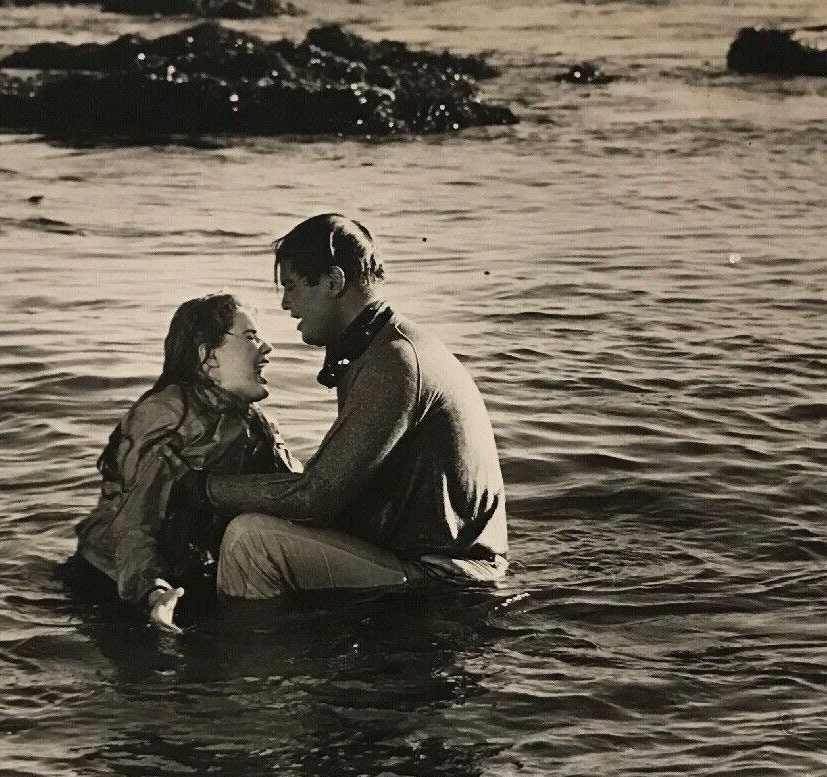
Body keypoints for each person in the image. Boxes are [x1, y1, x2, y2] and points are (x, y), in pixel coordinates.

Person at [205, 214, 508, 598]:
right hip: (431, 561)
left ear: (334, 281)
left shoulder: (394, 361)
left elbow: (318, 498)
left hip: (449, 579)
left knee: (251, 541)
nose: (284, 303)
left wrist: (208, 488)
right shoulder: (379, 347)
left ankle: (250, 655)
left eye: (293, 287)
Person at [75, 293, 296, 631]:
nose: (266, 349)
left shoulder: (253, 422)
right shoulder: (166, 416)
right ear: (207, 357)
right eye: (251, 337)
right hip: (116, 582)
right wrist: (152, 593)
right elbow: (134, 520)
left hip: (184, 576)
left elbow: (294, 494)